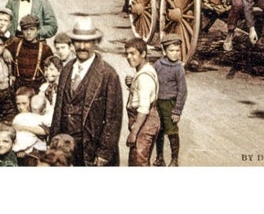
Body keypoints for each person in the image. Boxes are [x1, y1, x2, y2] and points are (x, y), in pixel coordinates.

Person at [49, 17, 124, 166]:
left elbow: (113, 119)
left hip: (92, 147)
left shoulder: (108, 74)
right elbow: (58, 110)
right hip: (67, 146)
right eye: (78, 41)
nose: (82, 46)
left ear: (95, 43)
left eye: (87, 42)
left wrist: (104, 152)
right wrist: (53, 142)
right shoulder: (66, 69)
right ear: (72, 43)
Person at [124, 37, 160, 167]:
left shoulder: (144, 77)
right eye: (127, 53)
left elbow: (144, 108)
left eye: (132, 53)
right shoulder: (145, 71)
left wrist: (133, 133)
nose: (129, 57)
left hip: (144, 122)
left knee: (139, 163)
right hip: (147, 121)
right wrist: (132, 84)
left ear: (143, 54)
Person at [152, 34, 187, 166]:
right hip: (157, 103)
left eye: (177, 50)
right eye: (171, 50)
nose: (175, 53)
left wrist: (177, 111)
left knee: (172, 132)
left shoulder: (179, 68)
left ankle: (174, 159)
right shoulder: (158, 64)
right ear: (164, 51)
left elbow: (182, 91)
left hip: (170, 104)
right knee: (158, 131)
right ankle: (159, 157)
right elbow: (150, 77)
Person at [5, 13, 55, 95]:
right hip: (18, 87)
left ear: (38, 30)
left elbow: (52, 69)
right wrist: (5, 51)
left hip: (36, 87)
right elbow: (0, 49)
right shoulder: (15, 44)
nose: (28, 33)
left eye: (32, 29)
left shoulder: (45, 49)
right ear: (21, 30)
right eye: (25, 29)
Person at [11, 88, 49, 164]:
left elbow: (44, 131)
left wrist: (23, 128)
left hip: (37, 152)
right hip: (22, 152)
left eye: (24, 103)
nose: (21, 107)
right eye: (18, 104)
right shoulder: (18, 117)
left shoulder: (38, 117)